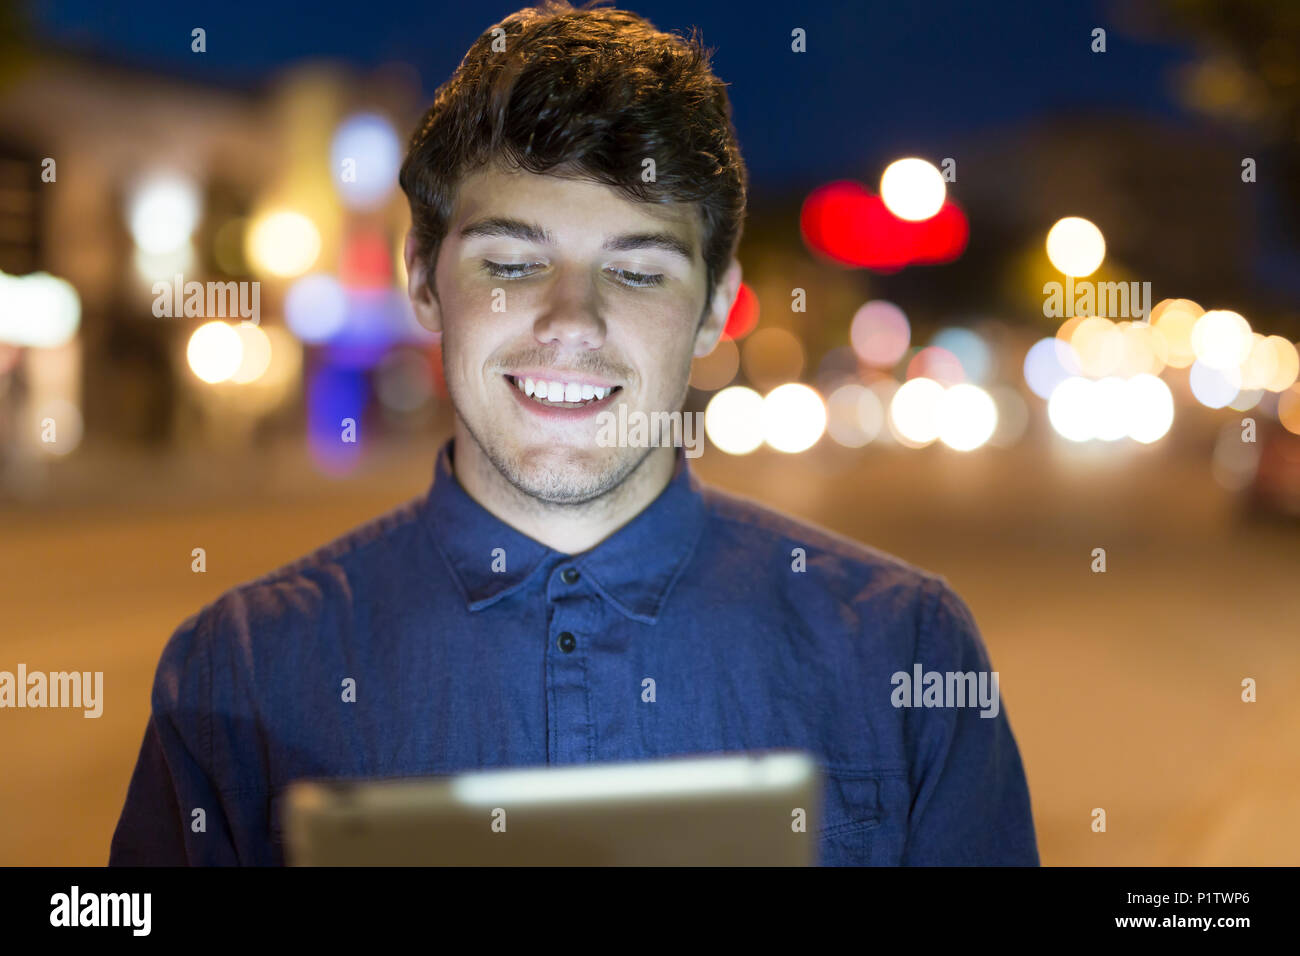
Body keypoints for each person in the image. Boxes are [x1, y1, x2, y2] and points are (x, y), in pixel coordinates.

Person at [109, 0, 1038, 866]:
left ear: (715, 308)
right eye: (512, 261)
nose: (572, 322)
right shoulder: (237, 673)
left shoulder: (908, 651)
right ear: (425, 279)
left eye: (637, 273)